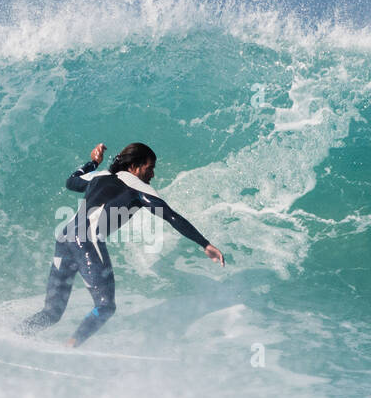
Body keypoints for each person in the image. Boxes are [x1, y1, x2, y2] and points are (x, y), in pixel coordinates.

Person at [18, 142, 224, 347]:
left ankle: (14, 336)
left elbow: (71, 181)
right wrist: (205, 244)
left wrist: (92, 163)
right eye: (149, 168)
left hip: (64, 237)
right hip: (86, 240)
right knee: (106, 306)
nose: (152, 174)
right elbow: (171, 217)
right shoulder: (139, 188)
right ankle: (69, 348)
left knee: (52, 312)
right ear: (134, 165)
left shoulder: (99, 176)